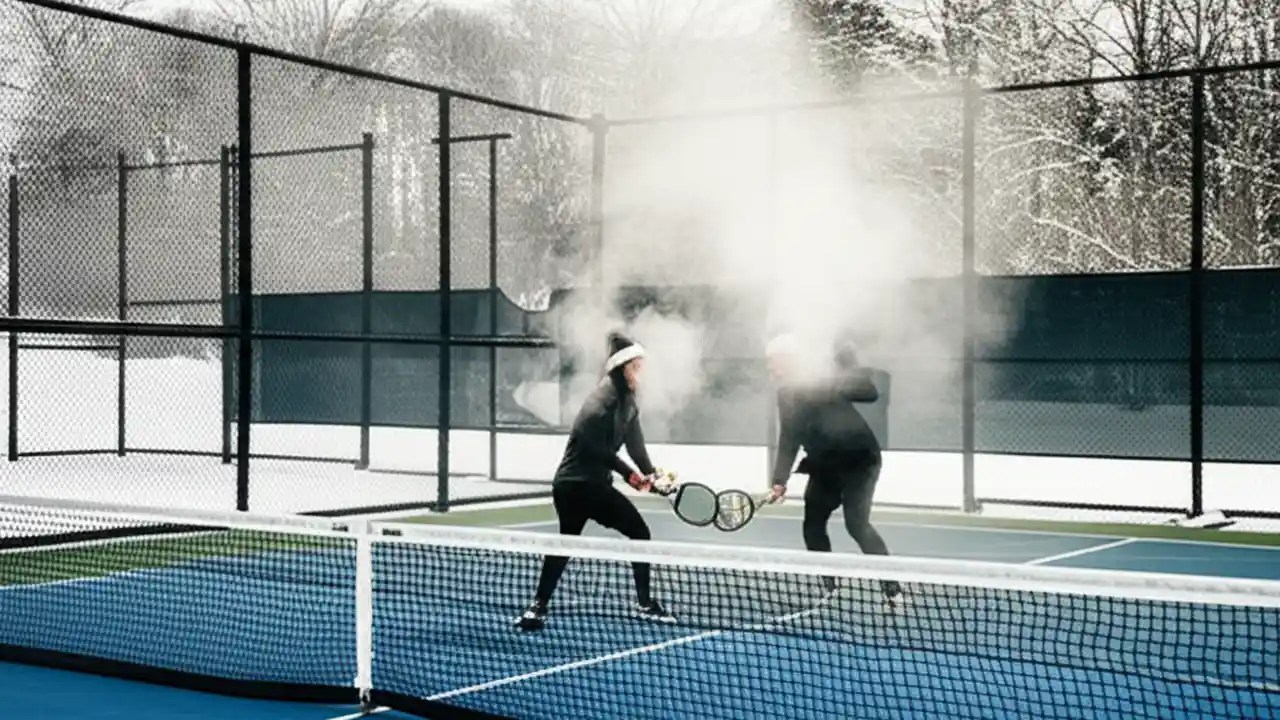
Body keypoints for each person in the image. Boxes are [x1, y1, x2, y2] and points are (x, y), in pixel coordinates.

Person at [514, 330, 676, 631]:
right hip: (577, 485)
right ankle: (644, 604)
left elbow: (635, 444)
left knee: (568, 543)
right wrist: (629, 474)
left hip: (589, 485)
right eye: (636, 365)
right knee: (638, 533)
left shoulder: (629, 399)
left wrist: (651, 475)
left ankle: (537, 607)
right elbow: (593, 446)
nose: (641, 371)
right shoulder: (602, 397)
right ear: (621, 366)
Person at [764, 332, 902, 602]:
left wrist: (840, 375)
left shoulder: (823, 380)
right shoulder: (785, 394)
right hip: (824, 466)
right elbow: (789, 437)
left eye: (774, 361)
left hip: (860, 462)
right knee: (812, 526)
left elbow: (869, 392)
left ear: (790, 360)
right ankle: (830, 587)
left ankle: (892, 589)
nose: (770, 367)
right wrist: (779, 481)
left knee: (856, 525)